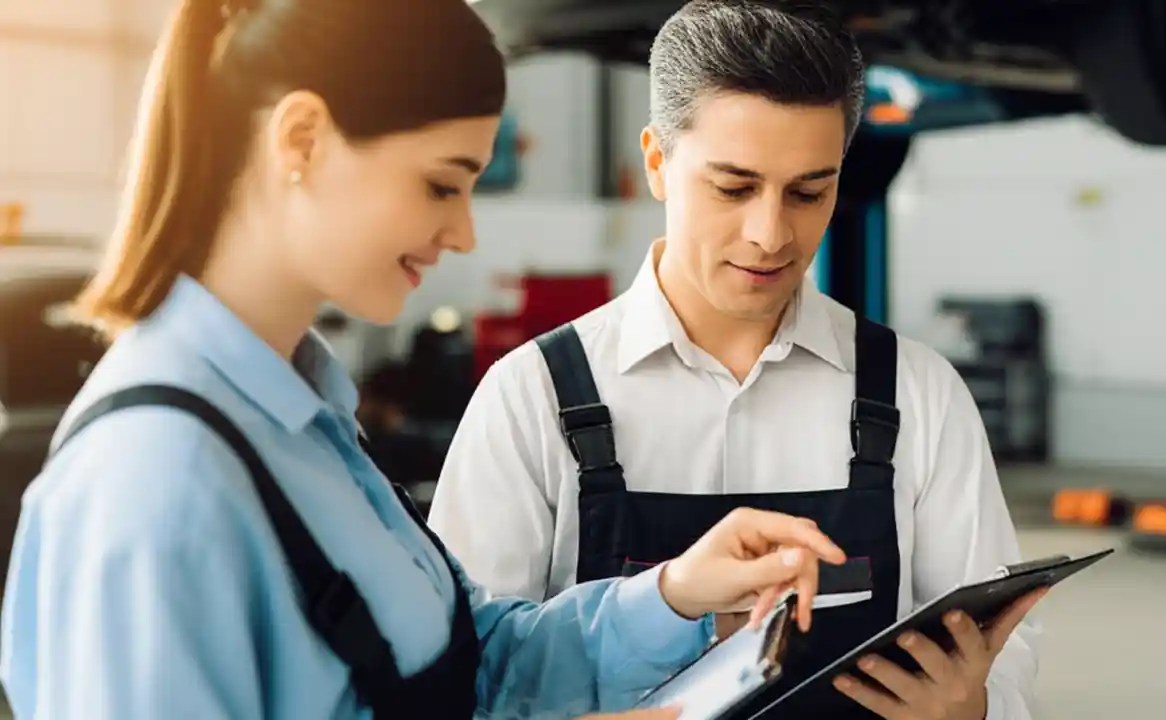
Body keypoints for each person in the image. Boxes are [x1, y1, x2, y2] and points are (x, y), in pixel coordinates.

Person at [0, 1, 849, 718]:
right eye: (442, 184)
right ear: (301, 139)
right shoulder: (155, 485)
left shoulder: (310, 423)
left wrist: (672, 598)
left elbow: (470, 670)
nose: (463, 234)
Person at [428, 1, 1044, 718]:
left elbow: (1009, 652)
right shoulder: (532, 397)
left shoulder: (918, 393)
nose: (769, 233)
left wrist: (973, 708)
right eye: (734, 187)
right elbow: (466, 675)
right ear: (657, 162)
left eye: (809, 192)